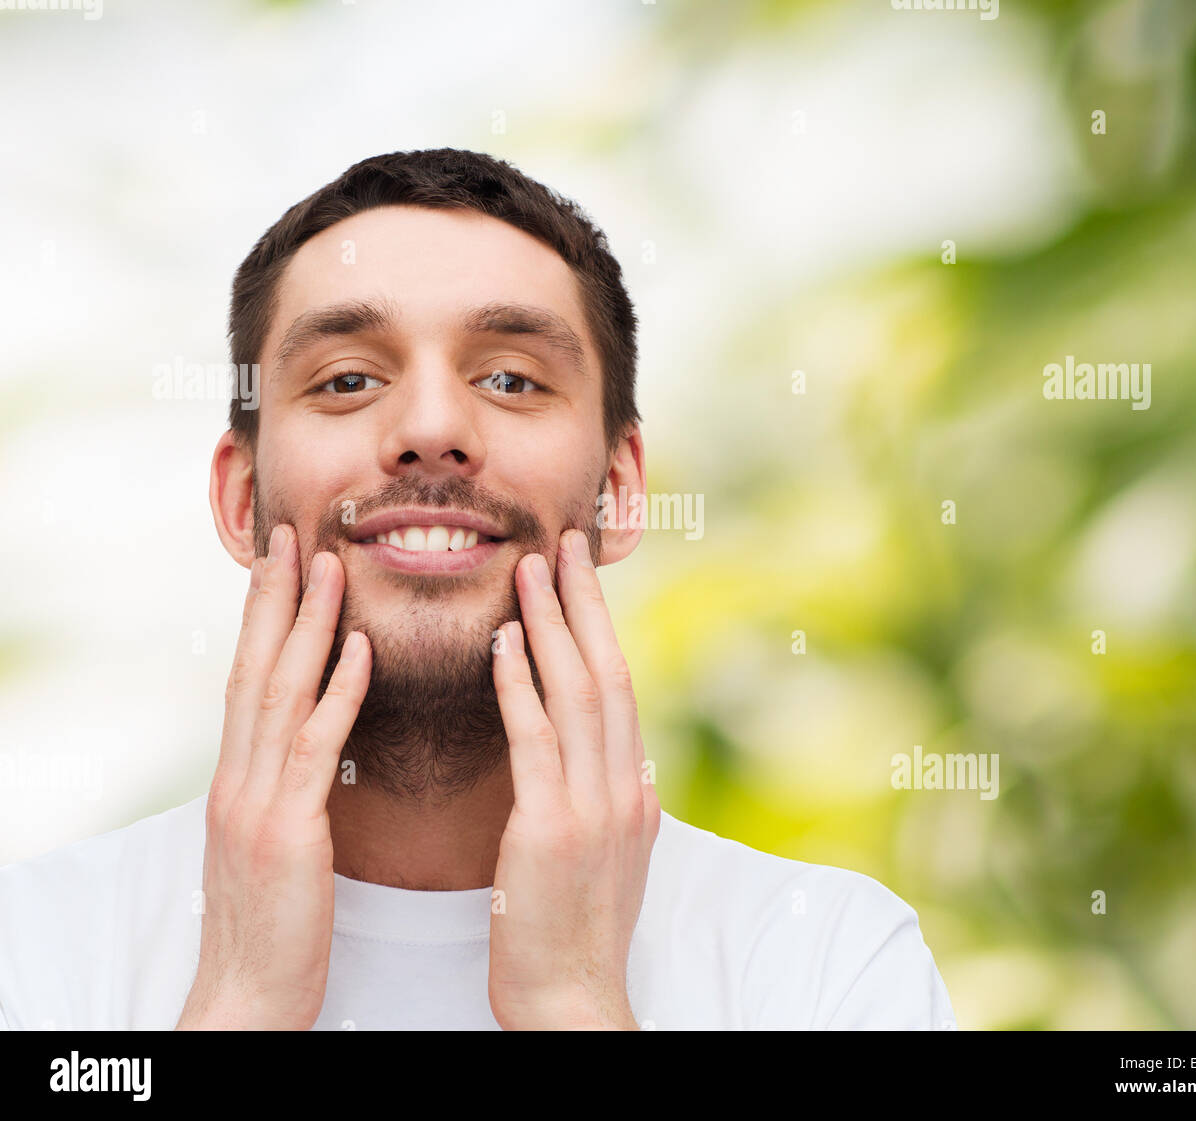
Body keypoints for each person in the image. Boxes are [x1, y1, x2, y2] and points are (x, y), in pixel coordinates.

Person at [0, 150, 956, 1030]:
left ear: (619, 489)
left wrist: (573, 999)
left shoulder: (826, 960)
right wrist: (241, 998)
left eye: (509, 377)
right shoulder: (34, 949)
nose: (429, 425)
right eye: (344, 380)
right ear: (242, 495)